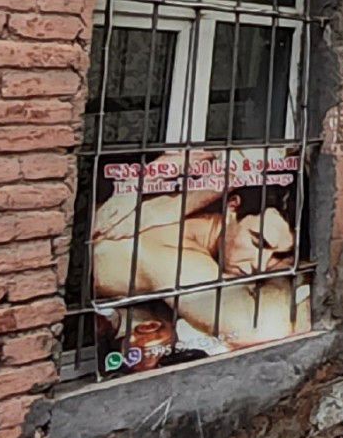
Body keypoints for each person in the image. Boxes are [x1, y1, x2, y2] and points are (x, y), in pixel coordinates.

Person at [88, 151, 309, 353]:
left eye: (279, 255)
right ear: (232, 208)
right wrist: (284, 271)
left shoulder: (175, 217)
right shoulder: (180, 257)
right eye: (258, 242)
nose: (260, 266)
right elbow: (262, 328)